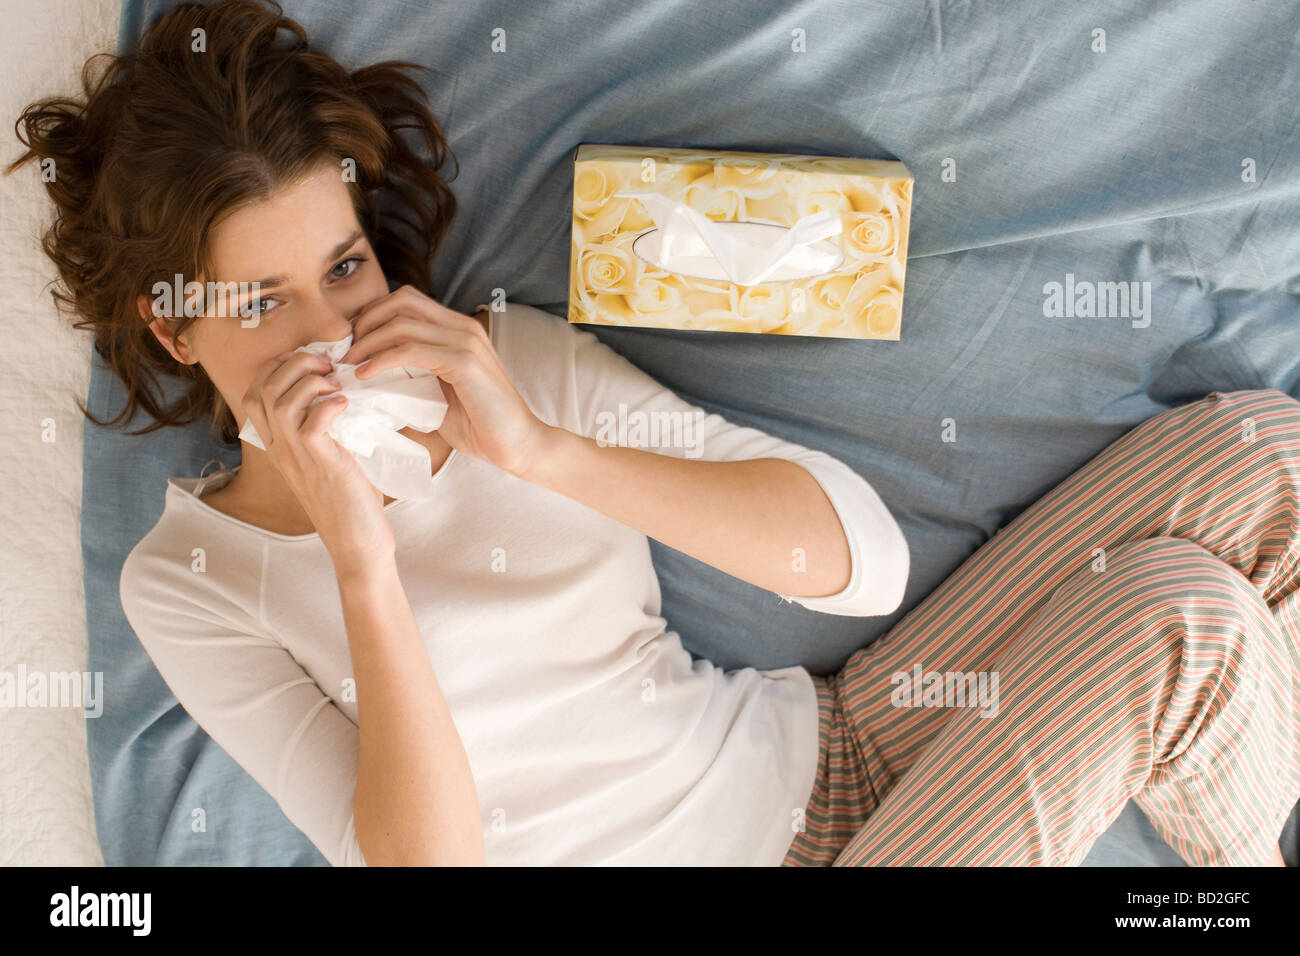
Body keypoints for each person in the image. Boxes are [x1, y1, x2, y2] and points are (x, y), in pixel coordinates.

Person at [11, 0, 1293, 866]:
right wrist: (360, 559)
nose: (326, 333)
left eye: (341, 268)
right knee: (1184, 619)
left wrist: (536, 450)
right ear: (175, 326)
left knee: (1260, 455)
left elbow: (864, 561)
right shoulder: (189, 580)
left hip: (837, 746)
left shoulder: (496, 362)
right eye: (258, 303)